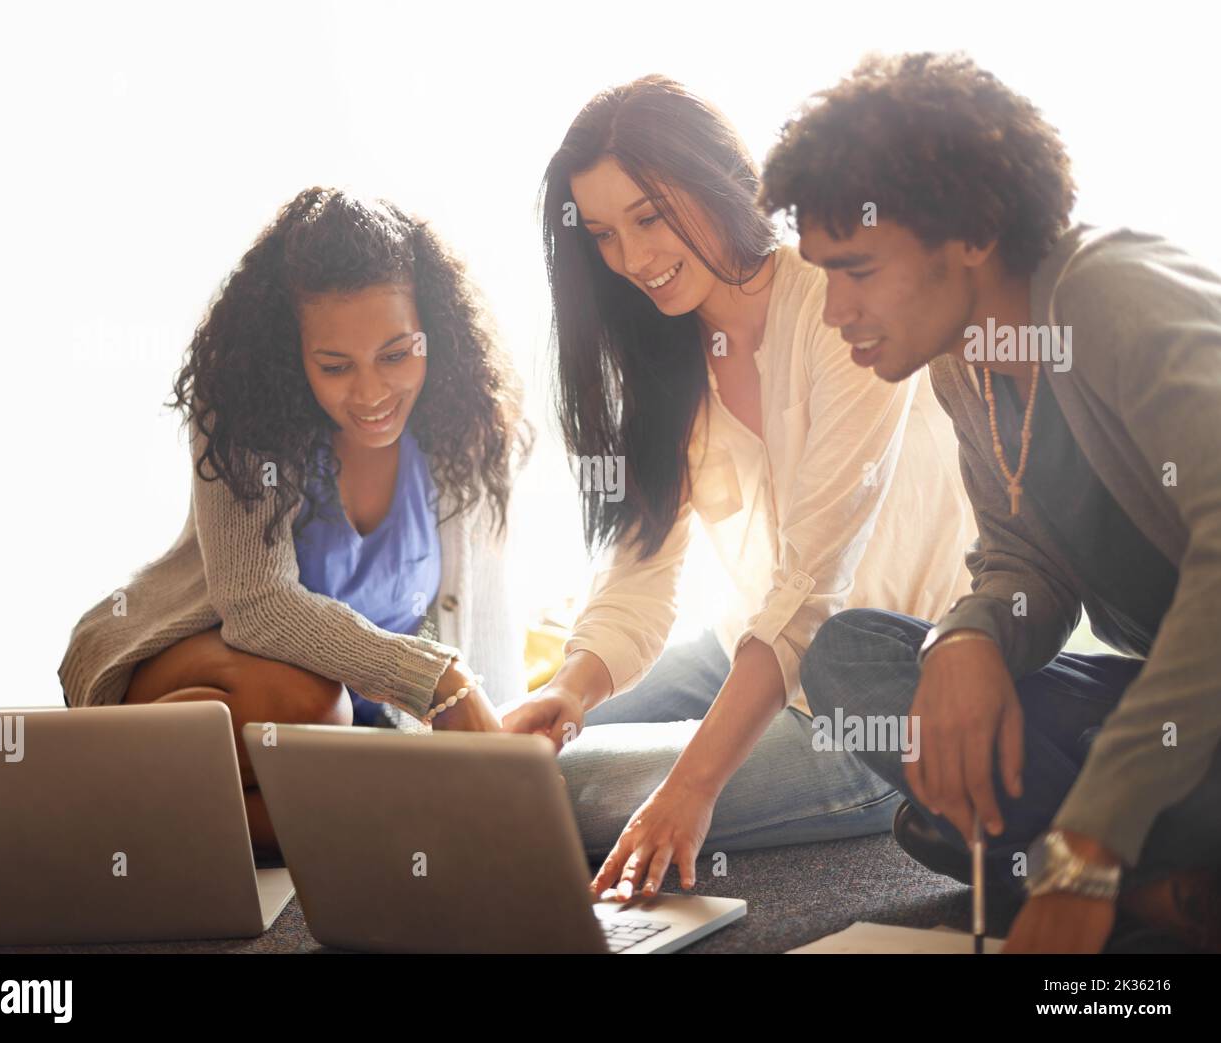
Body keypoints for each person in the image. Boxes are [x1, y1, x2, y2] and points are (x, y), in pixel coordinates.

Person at [766, 52, 1221, 952]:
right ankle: (1153, 883)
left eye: (857, 269)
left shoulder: (1107, 289)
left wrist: (1093, 831)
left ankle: (1094, 871)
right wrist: (967, 635)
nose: (835, 310)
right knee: (854, 657)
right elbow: (1024, 559)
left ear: (974, 231)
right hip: (1184, 711)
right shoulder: (963, 363)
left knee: (977, 814)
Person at [504, 75, 976, 901]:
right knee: (510, 750)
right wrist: (573, 687)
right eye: (606, 235)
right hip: (754, 649)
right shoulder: (667, 356)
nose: (634, 259)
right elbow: (643, 568)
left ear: (718, 176)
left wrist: (690, 789)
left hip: (885, 695)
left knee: (563, 792)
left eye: (649, 216)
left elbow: (814, 584)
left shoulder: (839, 304)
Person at [58, 188, 531, 856]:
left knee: (382, 794)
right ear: (293, 351)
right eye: (334, 366)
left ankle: (122, 812)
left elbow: (483, 644)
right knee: (312, 703)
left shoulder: (469, 431)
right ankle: (96, 777)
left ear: (436, 333)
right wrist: (439, 678)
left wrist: (500, 763)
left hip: (336, 732)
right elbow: (255, 605)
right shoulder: (244, 410)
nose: (370, 394)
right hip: (199, 665)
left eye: (397, 355)